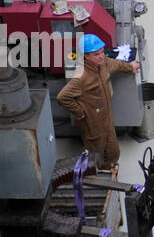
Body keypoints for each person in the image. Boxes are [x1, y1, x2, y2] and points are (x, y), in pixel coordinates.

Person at [57, 33, 140, 171]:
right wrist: (79, 112)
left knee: (113, 151)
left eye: (101, 52)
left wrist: (130, 67)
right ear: (86, 56)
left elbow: (116, 64)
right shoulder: (80, 77)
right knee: (95, 150)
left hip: (106, 115)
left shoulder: (104, 63)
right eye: (96, 54)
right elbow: (62, 97)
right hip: (92, 121)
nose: (101, 56)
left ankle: (108, 171)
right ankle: (91, 173)